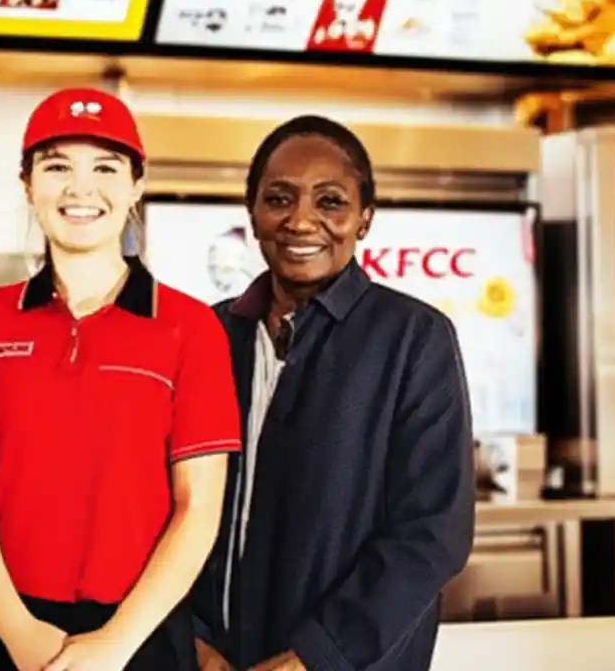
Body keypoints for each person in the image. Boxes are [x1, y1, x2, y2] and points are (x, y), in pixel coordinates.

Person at [0, 88, 242, 671]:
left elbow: (198, 508)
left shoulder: (189, 327)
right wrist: (22, 637)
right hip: (6, 631)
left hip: (141, 637)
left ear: (136, 186)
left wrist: (114, 646)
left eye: (105, 167)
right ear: (27, 185)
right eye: (57, 167)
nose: (81, 189)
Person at [192, 115, 475, 671]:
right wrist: (192, 640)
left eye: (330, 202)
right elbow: (165, 508)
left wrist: (315, 658)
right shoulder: (207, 337)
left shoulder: (413, 339)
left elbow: (432, 532)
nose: (302, 221)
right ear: (252, 214)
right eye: (279, 198)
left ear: (364, 218)